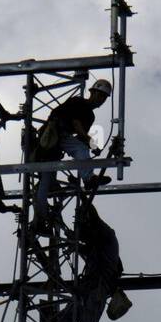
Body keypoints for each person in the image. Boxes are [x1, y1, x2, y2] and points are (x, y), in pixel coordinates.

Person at [24, 199, 131, 322]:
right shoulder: (97, 243)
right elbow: (85, 245)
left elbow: (93, 232)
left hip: (98, 289)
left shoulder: (107, 238)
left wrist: (84, 210)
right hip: (86, 288)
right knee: (66, 319)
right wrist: (73, 239)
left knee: (87, 319)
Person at [33, 79, 113, 221]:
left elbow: (81, 137)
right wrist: (91, 144)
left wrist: (91, 146)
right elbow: (77, 126)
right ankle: (88, 178)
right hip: (52, 134)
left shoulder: (90, 116)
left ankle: (42, 217)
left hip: (58, 143)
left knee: (47, 177)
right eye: (99, 95)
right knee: (77, 151)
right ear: (92, 92)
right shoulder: (79, 102)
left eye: (104, 97)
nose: (101, 99)